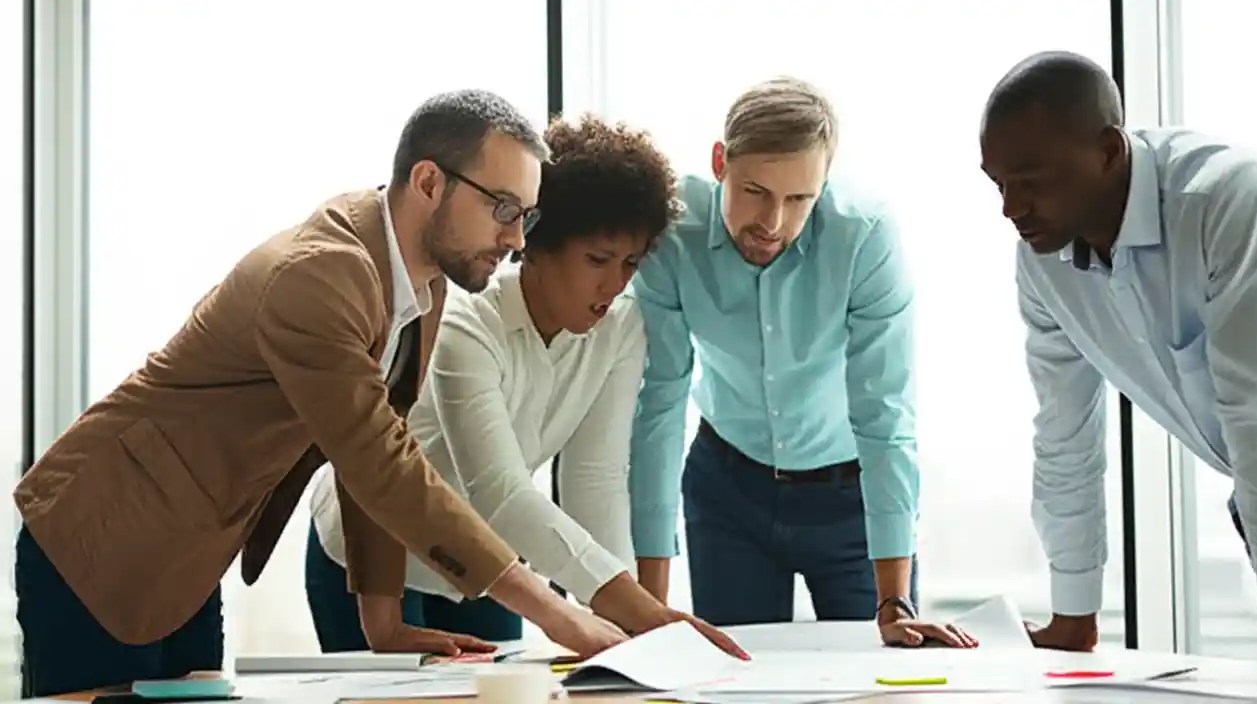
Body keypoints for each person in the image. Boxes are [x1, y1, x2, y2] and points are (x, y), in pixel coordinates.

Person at [12, 90, 632, 698]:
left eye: (527, 216)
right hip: (101, 534)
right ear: (427, 183)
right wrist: (556, 613)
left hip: (187, 556)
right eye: (503, 208)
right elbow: (383, 464)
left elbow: (377, 445)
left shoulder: (420, 285)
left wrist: (382, 624)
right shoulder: (322, 275)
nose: (518, 239)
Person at [306, 114, 745, 659]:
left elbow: (595, 478)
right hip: (375, 560)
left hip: (490, 563)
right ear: (535, 243)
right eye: (597, 260)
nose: (616, 283)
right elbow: (500, 491)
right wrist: (637, 607)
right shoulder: (466, 324)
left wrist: (633, 628)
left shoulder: (622, 327)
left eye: (631, 262)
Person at [627, 76, 976, 649]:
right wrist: (647, 608)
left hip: (849, 500)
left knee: (882, 676)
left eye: (799, 200)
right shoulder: (673, 232)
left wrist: (894, 599)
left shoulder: (865, 238)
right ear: (720, 162)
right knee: (735, 682)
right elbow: (660, 404)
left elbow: (885, 417)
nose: (773, 222)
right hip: (728, 491)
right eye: (755, 191)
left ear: (824, 185)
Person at [979, 50, 1257, 663]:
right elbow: (1064, 433)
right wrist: (1073, 614)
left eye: (1031, 181)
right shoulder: (1043, 264)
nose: (1011, 208)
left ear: (1110, 152)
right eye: (998, 184)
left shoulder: (1227, 200)